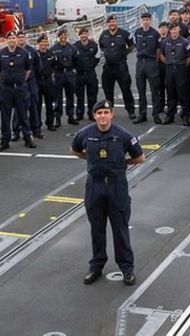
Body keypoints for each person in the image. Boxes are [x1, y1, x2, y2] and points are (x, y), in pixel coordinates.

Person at [71, 100, 145, 286]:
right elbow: (75, 149)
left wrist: (121, 164)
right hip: (94, 187)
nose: (102, 116)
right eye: (99, 113)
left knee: (120, 229)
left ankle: (127, 269)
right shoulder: (85, 134)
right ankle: (96, 266)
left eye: (106, 112)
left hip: (116, 186)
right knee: (97, 229)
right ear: (94, 115)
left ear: (112, 114)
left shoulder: (123, 135)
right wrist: (90, 159)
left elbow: (140, 157)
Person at [0, 31, 35, 149]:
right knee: (5, 116)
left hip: (19, 88)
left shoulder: (24, 53)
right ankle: (5, 141)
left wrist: (20, 80)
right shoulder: (0, 54)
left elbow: (28, 70)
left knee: (23, 115)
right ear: (6, 39)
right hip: (6, 89)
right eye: (10, 38)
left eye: (13, 37)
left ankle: (28, 138)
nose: (12, 39)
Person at [99, 15, 137, 119]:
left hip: (121, 66)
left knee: (126, 89)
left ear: (117, 22)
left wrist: (123, 54)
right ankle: (110, 111)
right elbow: (101, 47)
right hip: (108, 67)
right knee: (108, 90)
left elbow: (131, 46)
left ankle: (131, 111)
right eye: (110, 22)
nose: (112, 23)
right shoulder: (103, 35)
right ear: (108, 23)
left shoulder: (124, 33)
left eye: (114, 21)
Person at [159, 22, 190, 124]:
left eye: (175, 29)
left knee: (183, 93)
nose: (173, 31)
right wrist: (169, 63)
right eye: (172, 29)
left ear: (179, 30)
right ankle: (170, 115)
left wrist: (181, 65)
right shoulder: (165, 42)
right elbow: (162, 55)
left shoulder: (185, 42)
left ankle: (185, 115)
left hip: (180, 69)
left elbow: (189, 57)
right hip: (169, 69)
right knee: (170, 93)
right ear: (170, 30)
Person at [133, 13, 162, 124]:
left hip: (151, 62)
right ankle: (142, 114)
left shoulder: (155, 33)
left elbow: (158, 49)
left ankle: (156, 115)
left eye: (147, 19)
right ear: (141, 20)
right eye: (143, 19)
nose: (145, 21)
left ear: (150, 21)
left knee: (155, 90)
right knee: (141, 90)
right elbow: (136, 46)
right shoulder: (137, 32)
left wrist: (155, 62)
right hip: (140, 63)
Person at [74, 27, 102, 122]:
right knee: (80, 96)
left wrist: (91, 65)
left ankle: (92, 113)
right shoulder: (75, 46)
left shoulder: (93, 45)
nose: (84, 36)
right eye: (82, 34)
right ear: (79, 36)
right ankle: (79, 114)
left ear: (88, 34)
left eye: (85, 33)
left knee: (92, 95)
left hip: (90, 73)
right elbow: (72, 59)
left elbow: (97, 57)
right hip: (79, 74)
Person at [52, 29, 79, 126]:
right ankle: (57, 118)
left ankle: (71, 116)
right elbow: (51, 63)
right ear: (58, 36)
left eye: (64, 35)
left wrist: (73, 70)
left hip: (69, 73)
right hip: (59, 74)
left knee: (70, 96)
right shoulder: (54, 49)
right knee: (57, 97)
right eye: (61, 35)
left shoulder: (72, 48)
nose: (63, 37)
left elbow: (76, 60)